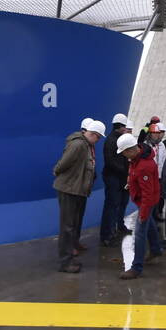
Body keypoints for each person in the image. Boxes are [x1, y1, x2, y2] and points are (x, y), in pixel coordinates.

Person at [53, 117, 105, 273]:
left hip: (75, 189)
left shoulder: (86, 145)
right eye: (98, 137)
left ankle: (68, 257)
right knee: (67, 227)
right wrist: (56, 171)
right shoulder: (78, 145)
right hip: (69, 189)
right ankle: (65, 262)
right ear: (94, 134)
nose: (98, 140)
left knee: (70, 225)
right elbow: (64, 163)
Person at [122, 132, 162, 280]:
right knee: (149, 224)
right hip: (142, 200)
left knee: (139, 233)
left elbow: (148, 193)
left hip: (146, 202)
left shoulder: (144, 165)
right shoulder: (138, 158)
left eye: (125, 153)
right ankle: (156, 249)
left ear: (132, 149)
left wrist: (143, 213)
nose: (125, 156)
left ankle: (136, 267)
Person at [100, 113, 133, 246]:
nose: (127, 129)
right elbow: (111, 162)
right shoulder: (111, 141)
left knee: (120, 203)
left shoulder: (119, 139)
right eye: (125, 127)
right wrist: (126, 172)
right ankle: (107, 235)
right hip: (113, 177)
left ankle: (116, 227)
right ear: (120, 127)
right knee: (111, 206)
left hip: (120, 178)